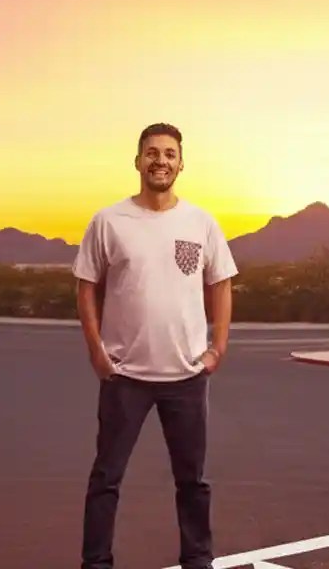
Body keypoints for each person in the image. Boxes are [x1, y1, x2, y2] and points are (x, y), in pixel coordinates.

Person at [72, 122, 238, 569]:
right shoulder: (109, 221)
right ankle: (96, 563)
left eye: (168, 153)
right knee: (106, 478)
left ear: (181, 163)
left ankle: (198, 560)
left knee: (193, 481)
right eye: (151, 152)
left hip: (186, 377)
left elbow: (221, 284)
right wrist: (96, 351)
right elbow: (86, 287)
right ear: (137, 161)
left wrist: (216, 348)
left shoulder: (201, 223)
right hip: (125, 377)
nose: (160, 161)